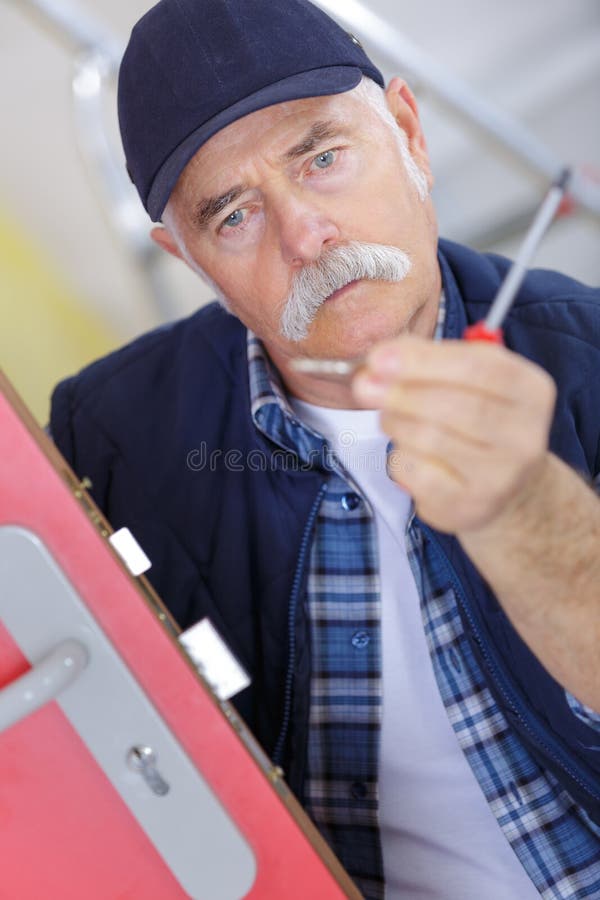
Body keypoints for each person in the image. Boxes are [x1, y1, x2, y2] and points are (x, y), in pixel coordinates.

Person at [49, 1, 600, 897]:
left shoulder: (588, 353)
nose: (307, 235)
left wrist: (527, 509)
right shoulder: (114, 439)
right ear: (188, 261)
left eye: (324, 157)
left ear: (411, 137)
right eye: (234, 216)